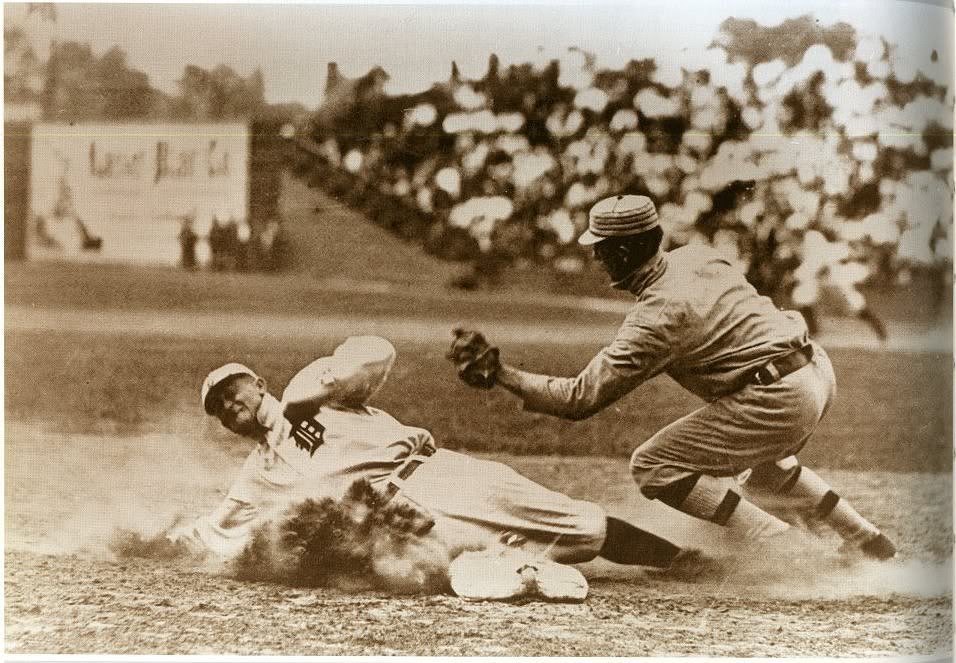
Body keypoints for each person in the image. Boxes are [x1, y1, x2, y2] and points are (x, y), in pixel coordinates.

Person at [448, 194, 897, 561]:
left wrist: (502, 374)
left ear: (623, 250)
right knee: (761, 469)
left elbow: (578, 399)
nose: (598, 258)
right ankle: (863, 536)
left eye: (601, 248)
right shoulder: (699, 257)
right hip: (815, 370)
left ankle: (786, 549)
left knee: (653, 466)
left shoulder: (656, 318)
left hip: (776, 394)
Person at [169, 335, 709, 586]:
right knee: (482, 569)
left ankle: (681, 561)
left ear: (256, 382)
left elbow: (376, 352)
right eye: (220, 408)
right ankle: (525, 570)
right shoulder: (257, 472)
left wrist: (323, 384)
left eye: (233, 389)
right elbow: (218, 527)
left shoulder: (308, 391)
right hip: (404, 522)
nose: (231, 404)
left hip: (440, 474)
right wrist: (163, 538)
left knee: (577, 521)